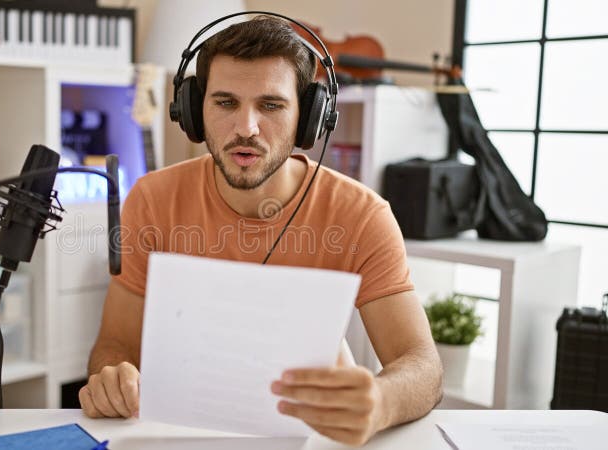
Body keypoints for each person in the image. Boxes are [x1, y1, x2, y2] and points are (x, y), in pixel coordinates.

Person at [79, 15, 442, 446]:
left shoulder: (362, 215)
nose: (246, 128)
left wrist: (382, 401)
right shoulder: (151, 198)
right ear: (194, 111)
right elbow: (114, 344)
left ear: (308, 118)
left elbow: (422, 366)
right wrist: (111, 378)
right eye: (225, 103)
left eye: (271, 105)